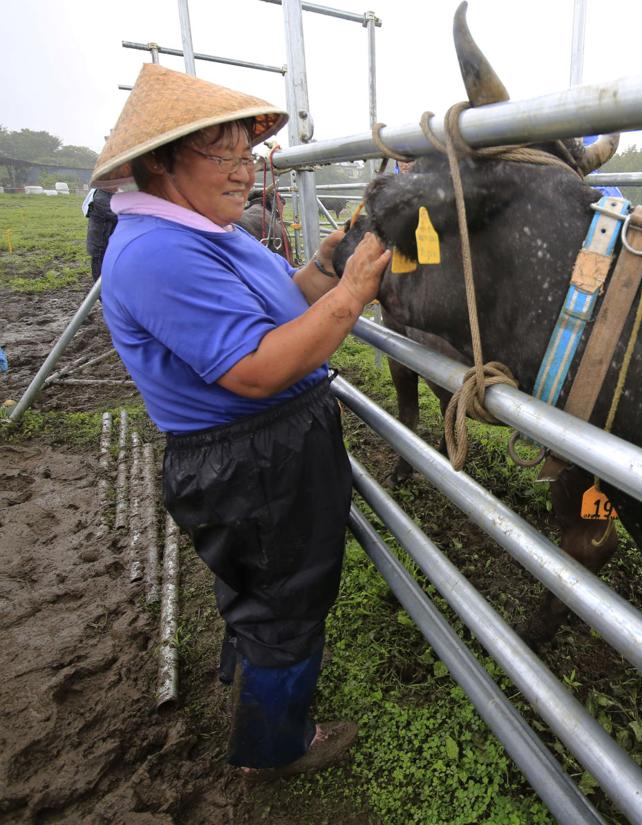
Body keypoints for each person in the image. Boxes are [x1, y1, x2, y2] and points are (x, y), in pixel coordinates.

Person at [91, 63, 390, 777]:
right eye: (222, 154)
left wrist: (319, 272)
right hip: (251, 459)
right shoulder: (159, 251)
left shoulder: (204, 229)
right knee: (286, 601)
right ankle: (276, 749)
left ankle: (256, 678)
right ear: (161, 162)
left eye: (245, 154)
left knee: (273, 585)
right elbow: (254, 367)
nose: (242, 171)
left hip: (265, 448)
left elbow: (274, 306)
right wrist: (348, 297)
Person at [82, 186, 118, 283]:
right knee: (100, 273)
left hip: (107, 242)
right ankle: (101, 295)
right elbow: (118, 216)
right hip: (100, 244)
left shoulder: (109, 195)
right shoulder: (102, 198)